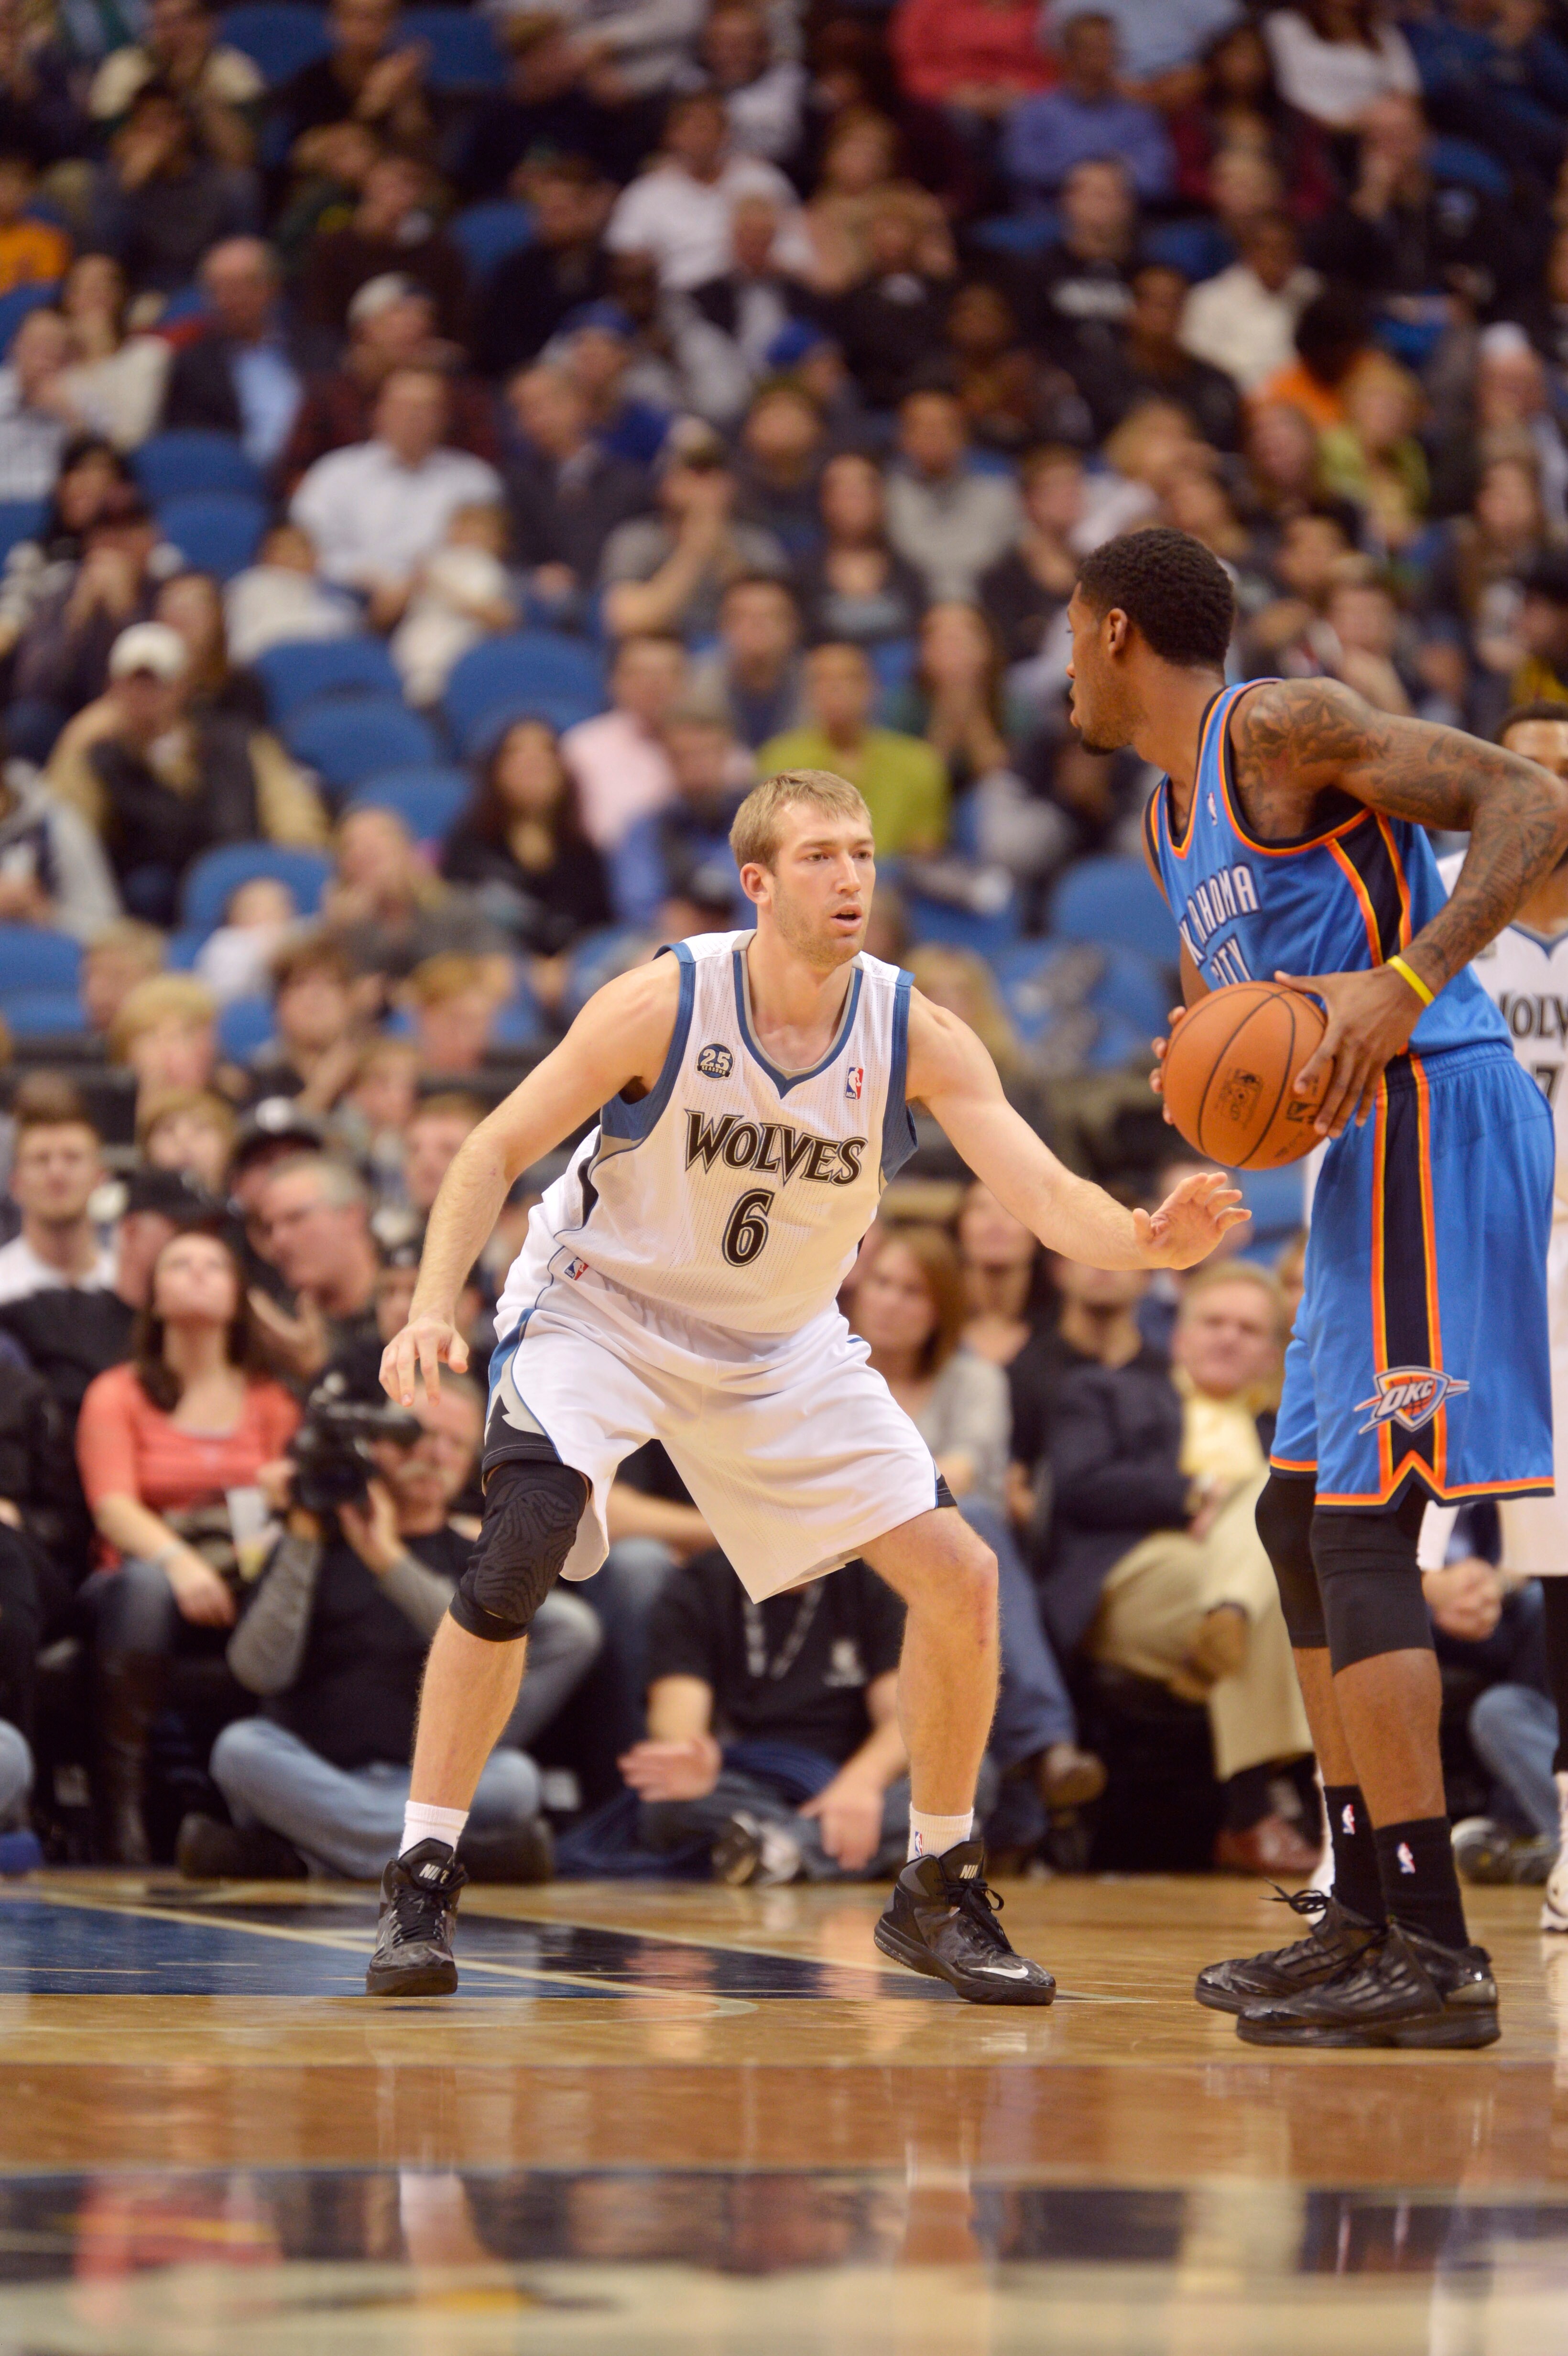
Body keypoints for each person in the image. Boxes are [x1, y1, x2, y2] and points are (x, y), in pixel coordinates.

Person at [365, 763, 1243, 2001]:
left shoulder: (913, 1030)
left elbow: (1045, 1199)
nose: (852, 879)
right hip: (603, 1309)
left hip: (778, 1343)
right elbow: (494, 1144)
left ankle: (937, 1883)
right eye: (823, 856)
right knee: (524, 1537)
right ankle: (421, 1873)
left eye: (866, 855)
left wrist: (1146, 1239)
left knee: (964, 1577)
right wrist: (425, 1306)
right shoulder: (663, 1002)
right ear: (759, 882)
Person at [1067, 523, 1568, 2047]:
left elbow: (1531, 796)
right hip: (1361, 1156)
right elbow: (1273, 1025)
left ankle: (1431, 1942)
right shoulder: (1170, 821)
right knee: (1292, 1512)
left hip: (1440, 1105)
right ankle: (1360, 1903)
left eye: (1065, 635)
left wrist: (1403, 979)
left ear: (1106, 633)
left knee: (1361, 1528)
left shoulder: (1275, 726)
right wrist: (1205, 1068)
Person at [192, 1374, 571, 1884]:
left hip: (431, 1785)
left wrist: (386, 1557)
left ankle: (318, 1857)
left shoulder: (476, 1561)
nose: (437, 1455)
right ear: (377, 1442)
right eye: (420, 1435)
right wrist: (304, 1532)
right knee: (239, 1748)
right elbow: (259, 1670)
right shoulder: (311, 1543)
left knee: (516, 1779)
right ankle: (433, 1861)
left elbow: (474, 1643)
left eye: (456, 1444)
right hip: (317, 1771)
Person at [1428, 704, 1568, 1939]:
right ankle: (1355, 1839)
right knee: (1388, 1535)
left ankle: (1565, 1824)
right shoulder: (1443, 928)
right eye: (1527, 769)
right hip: (1459, 1237)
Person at [1046, 1261, 1317, 1876]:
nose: (1227, 1337)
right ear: (1179, 1335)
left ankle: (1227, 1618)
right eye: (1213, 1321)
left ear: (1274, 1352)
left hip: (1230, 1582)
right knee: (1273, 1514)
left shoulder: (1286, 1430)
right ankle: (1254, 1811)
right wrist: (1193, 1494)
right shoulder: (1107, 1391)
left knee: (1275, 1497)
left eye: (1248, 1329)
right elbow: (1078, 1486)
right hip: (1130, 1576)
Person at [76, 1224, 301, 1863]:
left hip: (245, 1563)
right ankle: (120, 1811)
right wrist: (180, 1563)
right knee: (144, 1585)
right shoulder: (117, 1391)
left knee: (294, 1574)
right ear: (153, 1296)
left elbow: (290, 1515)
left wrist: (282, 1499)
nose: (198, 1274)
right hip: (138, 1575)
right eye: (180, 1265)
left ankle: (265, 1805)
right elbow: (113, 1506)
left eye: (215, 1266)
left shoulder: (271, 1400)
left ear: (239, 1297)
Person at [620, 1543, 911, 1884]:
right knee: (666, 1808)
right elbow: (677, 1703)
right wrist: (690, 1754)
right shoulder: (700, 1583)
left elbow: (903, 1718)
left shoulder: (874, 1578)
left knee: (967, 1777)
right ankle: (842, 1851)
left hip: (855, 1773)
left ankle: (781, 1851)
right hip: (754, 1781)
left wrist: (861, 1784)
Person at [289, 369, 503, 630]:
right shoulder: (335, 472)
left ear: (445, 417)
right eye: (403, 406)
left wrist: (420, 584)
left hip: (443, 600)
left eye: (427, 408)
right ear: (378, 412)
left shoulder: (474, 479)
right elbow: (308, 544)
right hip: (349, 592)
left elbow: (486, 552)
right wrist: (376, 581)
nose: (414, 416)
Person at [440, 717, 612, 991]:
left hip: (574, 979)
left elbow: (601, 928)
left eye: (545, 752)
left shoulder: (586, 855)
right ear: (495, 770)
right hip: (488, 976)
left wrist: (566, 964)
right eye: (516, 752)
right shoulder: (468, 848)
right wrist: (521, 968)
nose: (533, 761)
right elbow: (453, 922)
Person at [600, 417, 788, 644]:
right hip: (666, 659)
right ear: (665, 483)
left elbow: (774, 627)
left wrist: (720, 545)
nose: (706, 482)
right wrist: (694, 550)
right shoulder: (634, 540)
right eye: (695, 471)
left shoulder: (757, 543)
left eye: (715, 471)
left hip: (734, 663)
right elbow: (627, 622)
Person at [758, 642, 947, 858]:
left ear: (873, 688)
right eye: (823, 680)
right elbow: (777, 849)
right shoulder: (778, 761)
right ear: (807, 693)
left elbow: (925, 849)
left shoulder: (919, 762)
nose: (836, 688)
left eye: (850, 678)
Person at [603, 89, 802, 294]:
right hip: (679, 297)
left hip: (759, 288)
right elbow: (625, 257)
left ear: (726, 134)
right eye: (687, 129)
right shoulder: (645, 193)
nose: (698, 138)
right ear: (670, 137)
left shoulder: (762, 179)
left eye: (705, 127)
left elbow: (798, 245)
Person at [159, 238, 305, 474]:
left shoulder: (314, 347)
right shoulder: (192, 367)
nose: (232, 298)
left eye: (244, 285)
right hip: (240, 478)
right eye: (220, 289)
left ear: (273, 287)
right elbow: (192, 445)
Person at [1003, 10, 1174, 206]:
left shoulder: (1139, 116)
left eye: (1108, 48)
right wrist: (1084, 172)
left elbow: (1156, 179)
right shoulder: (1034, 111)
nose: (1101, 57)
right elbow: (1020, 167)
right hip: (1050, 216)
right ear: (1068, 54)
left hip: (1123, 218)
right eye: (1091, 48)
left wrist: (1109, 180)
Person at [883, 390, 1022, 608]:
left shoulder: (1000, 498)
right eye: (921, 427)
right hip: (908, 612)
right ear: (903, 438)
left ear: (964, 436)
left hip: (990, 612)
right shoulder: (883, 499)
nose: (933, 435)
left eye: (944, 426)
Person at [561, 632, 686, 853]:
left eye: (666, 674)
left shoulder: (719, 745)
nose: (653, 685)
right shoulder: (582, 748)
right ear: (614, 682)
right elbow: (597, 835)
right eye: (640, 674)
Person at [793, 452, 926, 654]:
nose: (854, 497)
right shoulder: (801, 576)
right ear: (824, 501)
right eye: (842, 489)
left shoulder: (912, 574)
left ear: (881, 499)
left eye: (864, 487)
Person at [0, 1076, 113, 1306]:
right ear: (15, 1184)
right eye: (41, 1160)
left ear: (100, 1179)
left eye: (72, 1158)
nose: (57, 1174)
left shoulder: (126, 1290)